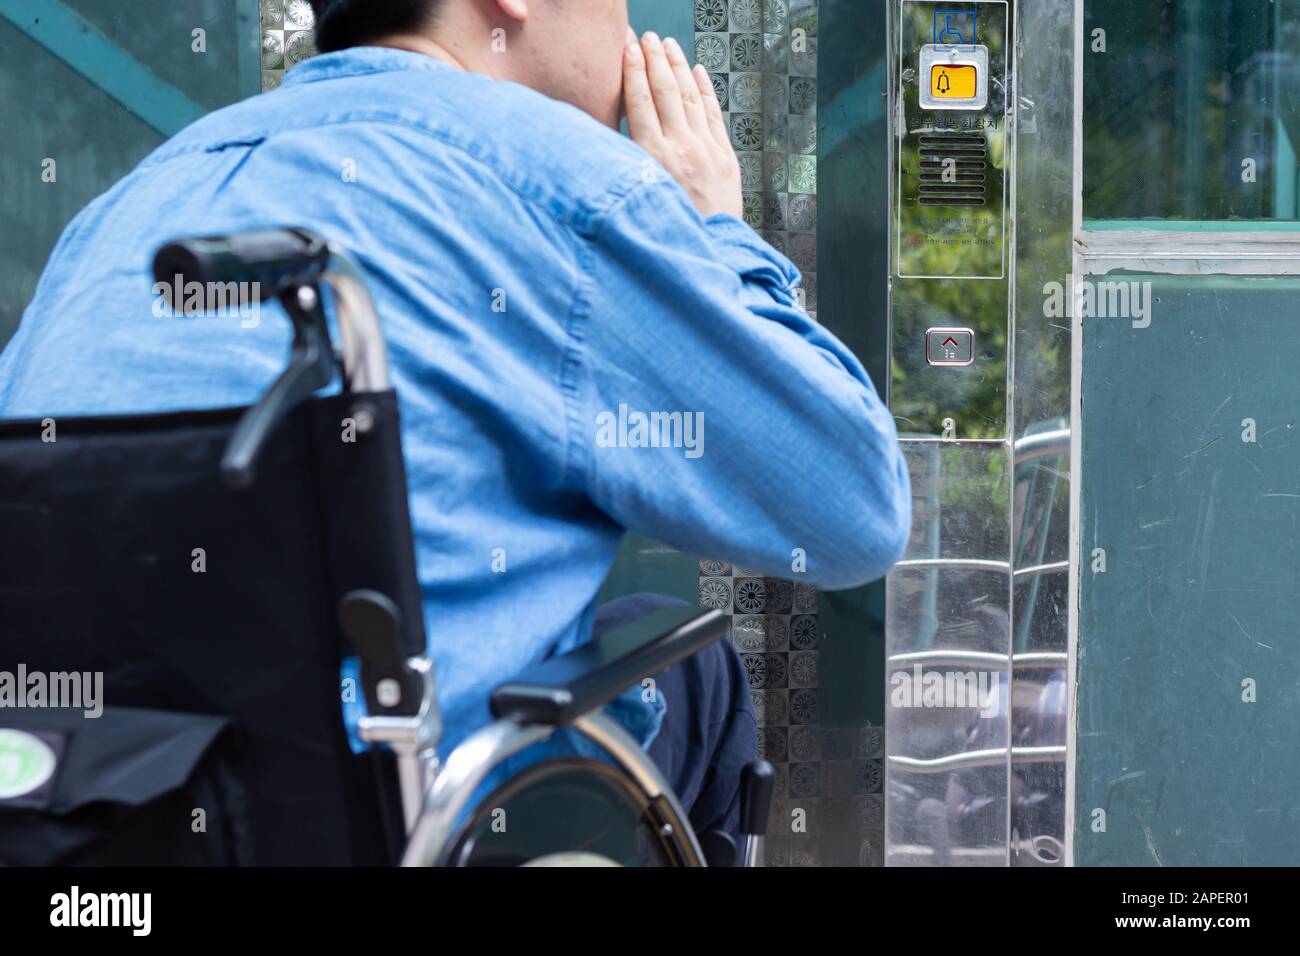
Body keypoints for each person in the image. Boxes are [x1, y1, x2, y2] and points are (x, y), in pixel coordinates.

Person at [0, 0, 910, 849]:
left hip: (101, 829)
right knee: (690, 669)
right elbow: (853, 509)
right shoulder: (565, 185)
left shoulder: (119, 215)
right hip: (418, 830)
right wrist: (715, 230)